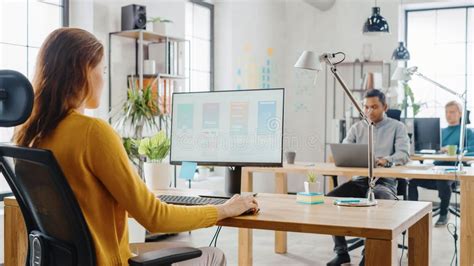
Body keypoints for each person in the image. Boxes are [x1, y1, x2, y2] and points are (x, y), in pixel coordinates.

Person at [13, 28, 258, 265]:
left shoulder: (29, 135)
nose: (104, 78)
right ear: (84, 71)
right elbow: (155, 218)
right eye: (103, 69)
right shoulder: (92, 132)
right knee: (214, 254)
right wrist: (225, 209)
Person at [326, 89, 410, 266]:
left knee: (380, 200)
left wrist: (385, 160)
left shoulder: (397, 127)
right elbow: (345, 148)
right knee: (330, 199)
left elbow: (403, 154)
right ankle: (342, 254)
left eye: (374, 107)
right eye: (366, 107)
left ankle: (368, 255)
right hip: (360, 180)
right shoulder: (357, 128)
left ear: (385, 107)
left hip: (384, 182)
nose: (369, 111)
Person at [408, 101, 474, 226]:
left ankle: (444, 213)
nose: (448, 115)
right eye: (446, 112)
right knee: (412, 181)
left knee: (442, 179)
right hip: (436, 168)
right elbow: (434, 149)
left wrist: (453, 149)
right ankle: (413, 214)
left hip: (454, 172)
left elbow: (472, 150)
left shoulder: (467, 132)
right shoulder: (441, 131)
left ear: (460, 114)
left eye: (452, 112)